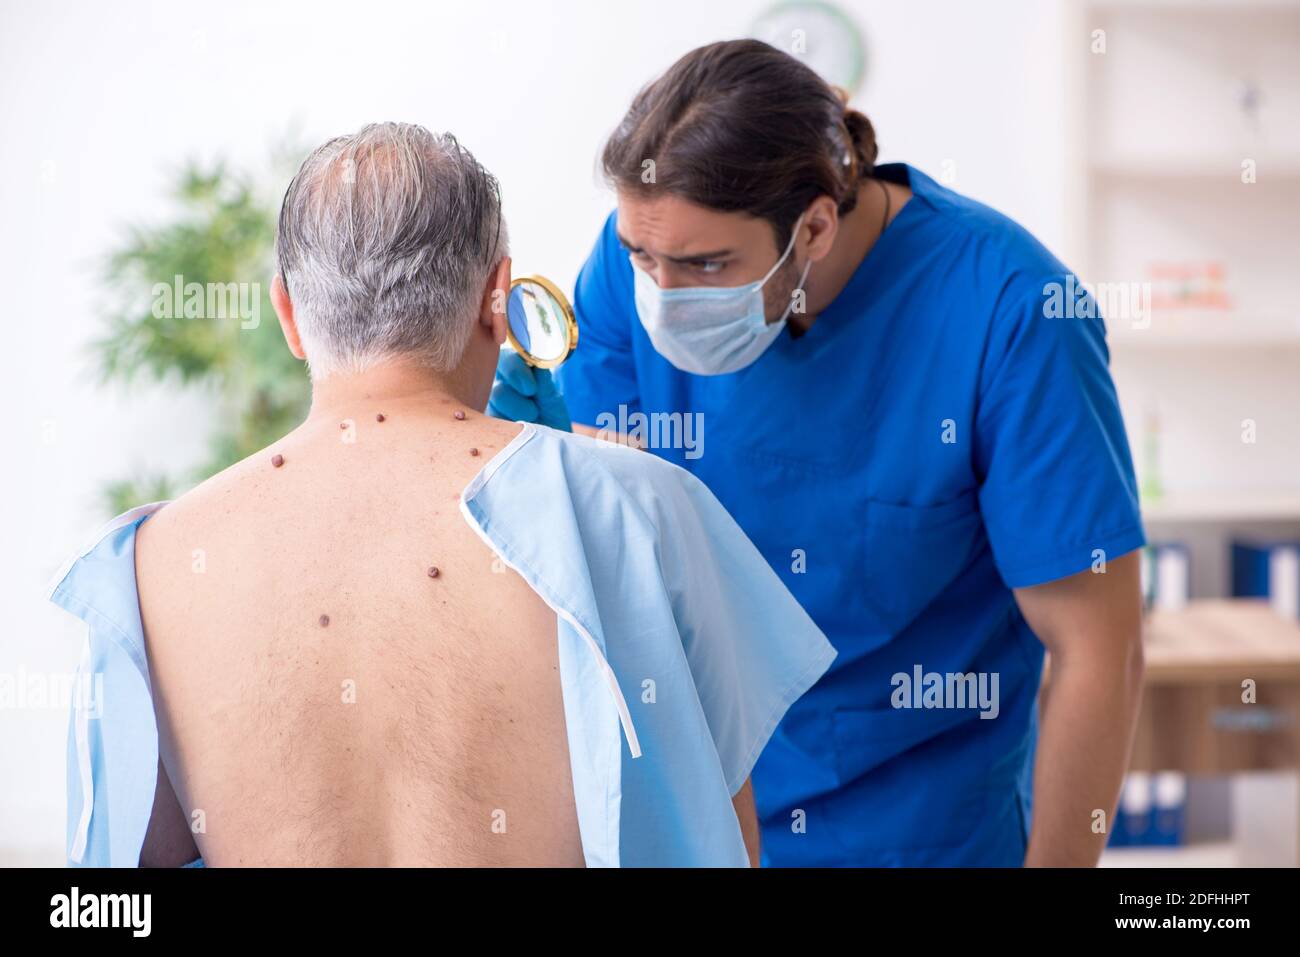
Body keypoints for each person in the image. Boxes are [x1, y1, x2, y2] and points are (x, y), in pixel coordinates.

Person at [47, 122, 834, 867]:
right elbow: (720, 843)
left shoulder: (149, 568)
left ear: (287, 312)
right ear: (500, 297)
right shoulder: (637, 510)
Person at [490, 40, 1146, 866]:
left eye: (705, 265)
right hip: (701, 826)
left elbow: (1099, 649)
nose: (662, 296)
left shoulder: (1013, 314)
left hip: (926, 837)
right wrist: (525, 463)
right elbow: (606, 566)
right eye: (643, 257)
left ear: (814, 226)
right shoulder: (631, 272)